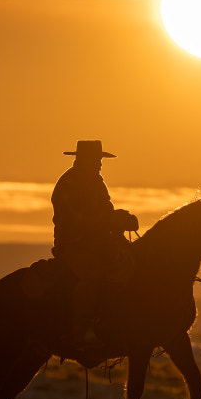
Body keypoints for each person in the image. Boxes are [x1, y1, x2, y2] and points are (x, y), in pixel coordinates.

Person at [51, 140, 137, 353]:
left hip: (97, 242)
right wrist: (113, 219)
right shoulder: (68, 183)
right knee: (92, 275)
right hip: (73, 245)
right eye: (96, 159)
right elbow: (79, 219)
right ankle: (77, 334)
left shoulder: (97, 181)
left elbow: (105, 209)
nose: (100, 164)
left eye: (100, 160)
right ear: (82, 159)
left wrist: (120, 218)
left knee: (129, 262)